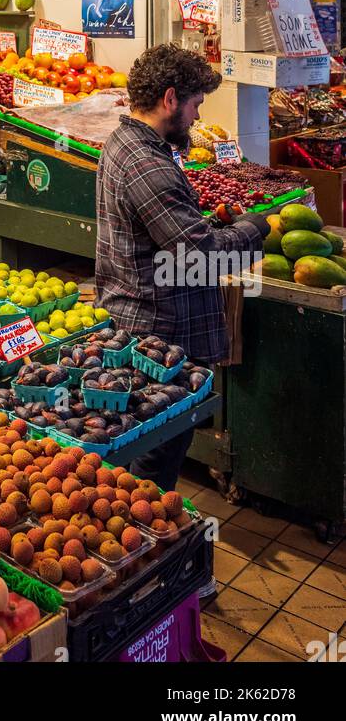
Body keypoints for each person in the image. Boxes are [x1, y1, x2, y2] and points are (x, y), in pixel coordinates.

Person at [95, 43, 269, 490]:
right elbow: (202, 254)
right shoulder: (145, 162)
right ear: (170, 98)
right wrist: (254, 229)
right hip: (162, 332)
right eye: (195, 105)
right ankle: (145, 540)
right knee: (156, 458)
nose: (196, 118)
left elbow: (171, 234)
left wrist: (207, 221)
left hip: (140, 319)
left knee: (143, 444)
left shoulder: (125, 142)